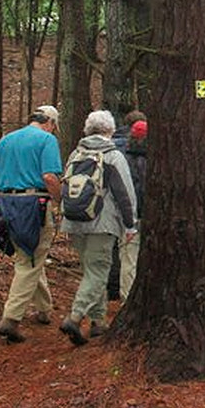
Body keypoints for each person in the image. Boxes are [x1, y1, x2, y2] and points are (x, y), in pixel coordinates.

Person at [0, 105, 63, 344]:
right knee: (30, 261)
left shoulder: (7, 140)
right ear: (49, 122)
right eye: (54, 126)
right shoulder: (47, 140)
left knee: (27, 255)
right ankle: (11, 318)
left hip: (7, 204)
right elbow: (50, 177)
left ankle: (44, 310)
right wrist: (59, 201)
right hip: (35, 205)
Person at [59, 110, 137, 345]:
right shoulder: (113, 156)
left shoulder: (76, 153)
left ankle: (98, 322)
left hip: (73, 220)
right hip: (101, 222)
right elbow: (125, 194)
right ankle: (75, 316)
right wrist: (130, 224)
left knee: (91, 270)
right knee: (98, 270)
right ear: (110, 130)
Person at [107, 109, 146, 301]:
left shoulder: (110, 147)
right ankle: (128, 297)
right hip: (135, 209)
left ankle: (112, 288)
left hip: (112, 209)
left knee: (114, 249)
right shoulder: (142, 150)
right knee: (130, 254)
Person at [118, 119, 147, 300]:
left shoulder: (122, 158)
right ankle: (130, 298)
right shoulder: (158, 160)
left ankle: (127, 297)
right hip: (142, 214)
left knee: (128, 257)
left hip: (127, 213)